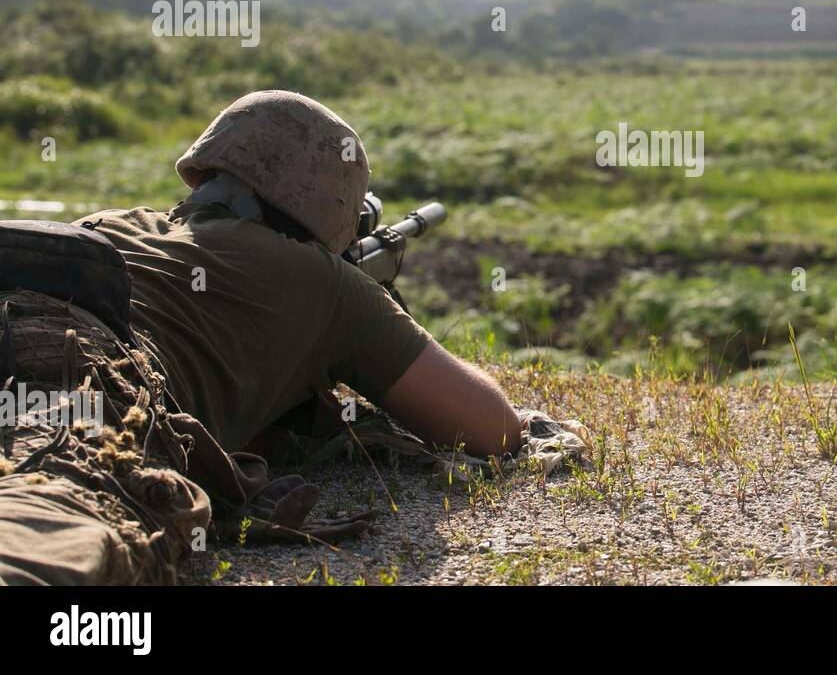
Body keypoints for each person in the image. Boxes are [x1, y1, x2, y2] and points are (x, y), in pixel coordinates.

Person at [0, 90, 523, 584]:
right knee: (45, 524)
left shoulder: (109, 224)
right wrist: (366, 307)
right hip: (86, 381)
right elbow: (491, 427)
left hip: (23, 334)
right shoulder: (323, 281)